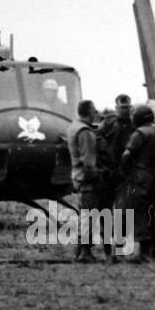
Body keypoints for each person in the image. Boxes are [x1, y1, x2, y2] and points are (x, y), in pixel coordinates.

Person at [116, 104, 155, 263]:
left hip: (138, 177)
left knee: (131, 211)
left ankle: (142, 253)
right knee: (148, 212)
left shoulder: (140, 133)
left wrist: (122, 170)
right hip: (151, 176)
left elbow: (127, 154)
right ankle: (153, 251)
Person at [67, 100, 111, 262]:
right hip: (88, 179)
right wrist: (99, 177)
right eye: (94, 110)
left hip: (78, 177)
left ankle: (81, 251)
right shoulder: (86, 132)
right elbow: (88, 163)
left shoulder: (74, 126)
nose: (96, 112)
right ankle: (85, 252)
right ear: (89, 112)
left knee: (85, 215)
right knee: (89, 216)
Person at [96, 94, 135, 193]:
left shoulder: (135, 124)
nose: (125, 110)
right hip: (109, 169)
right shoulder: (108, 123)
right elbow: (97, 140)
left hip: (127, 170)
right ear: (116, 108)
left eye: (127, 107)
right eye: (122, 107)